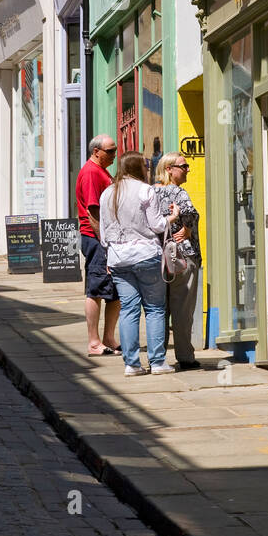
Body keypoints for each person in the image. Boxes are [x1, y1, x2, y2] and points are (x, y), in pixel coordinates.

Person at [99, 151, 179, 376]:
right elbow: (157, 225)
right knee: (154, 308)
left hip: (118, 258)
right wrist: (172, 218)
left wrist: (109, 254)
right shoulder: (146, 190)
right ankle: (157, 362)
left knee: (129, 310)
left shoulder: (107, 193)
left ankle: (132, 364)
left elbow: (104, 233)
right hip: (145, 254)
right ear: (138, 167)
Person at [155, 153, 203, 371]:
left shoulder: (151, 191)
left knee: (159, 309)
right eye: (183, 166)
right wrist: (189, 228)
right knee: (182, 309)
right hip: (182, 256)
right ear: (168, 169)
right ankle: (185, 356)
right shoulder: (178, 191)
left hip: (158, 257)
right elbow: (191, 212)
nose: (187, 170)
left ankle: (158, 357)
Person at [75, 135, 121, 357]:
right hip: (96, 239)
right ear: (96, 151)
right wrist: (105, 243)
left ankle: (109, 338)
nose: (114, 154)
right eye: (110, 151)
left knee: (114, 290)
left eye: (115, 150)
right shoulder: (92, 172)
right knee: (96, 288)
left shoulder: (101, 170)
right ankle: (94, 342)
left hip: (105, 239)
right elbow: (93, 212)